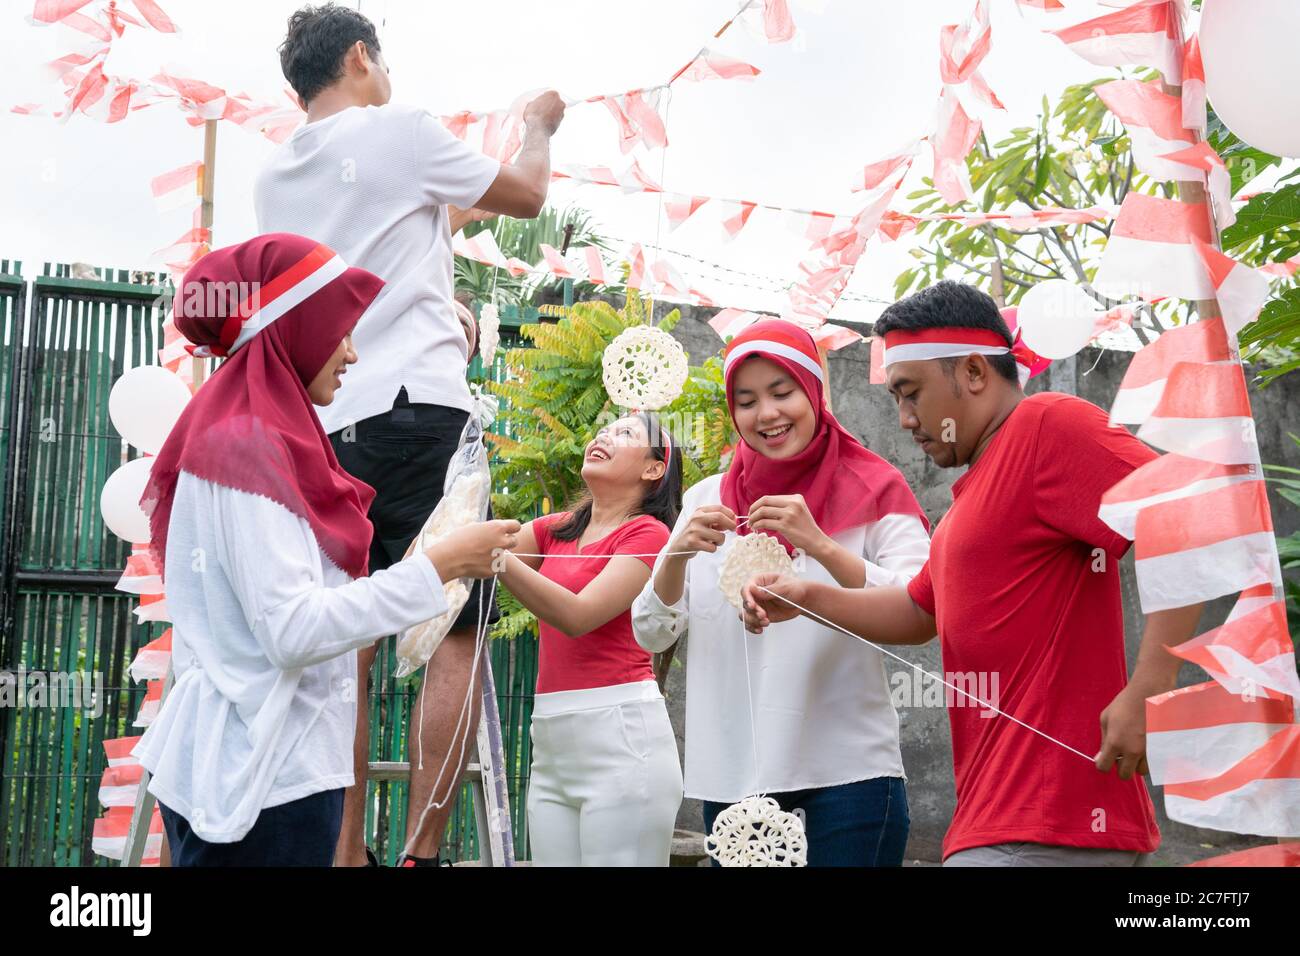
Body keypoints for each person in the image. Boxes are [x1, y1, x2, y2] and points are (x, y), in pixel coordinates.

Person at [743, 280, 1205, 867]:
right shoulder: (969, 497)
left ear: (973, 373)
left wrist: (1151, 687)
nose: (907, 419)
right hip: (1006, 824)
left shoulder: (1044, 426)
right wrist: (805, 596)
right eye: (895, 401)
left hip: (1043, 826)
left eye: (911, 394)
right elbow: (917, 613)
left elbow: (1186, 508)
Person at [253, 3, 565, 866]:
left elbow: (407, 224)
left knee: (344, 644)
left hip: (322, 427)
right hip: (419, 408)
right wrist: (536, 127)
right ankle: (422, 852)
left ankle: (346, 854)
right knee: (454, 622)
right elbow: (527, 195)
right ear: (361, 55)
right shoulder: (400, 130)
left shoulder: (275, 180)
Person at [132, 234, 520, 866]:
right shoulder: (248, 449)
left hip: (271, 768)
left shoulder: (252, 435)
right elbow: (294, 629)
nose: (352, 353)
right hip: (262, 787)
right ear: (293, 326)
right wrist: (439, 566)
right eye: (338, 331)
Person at [632, 320, 931, 867]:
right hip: (735, 774)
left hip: (850, 772)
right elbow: (652, 629)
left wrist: (818, 543)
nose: (766, 413)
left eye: (782, 391)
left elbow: (922, 603)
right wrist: (674, 555)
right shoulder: (707, 501)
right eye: (746, 400)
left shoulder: (877, 485)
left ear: (814, 390)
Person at [496, 412, 684, 866]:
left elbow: (579, 616)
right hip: (552, 742)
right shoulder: (555, 529)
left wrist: (495, 557)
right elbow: (473, 553)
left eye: (625, 434)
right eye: (604, 428)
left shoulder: (648, 534)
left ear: (654, 468)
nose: (603, 435)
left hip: (620, 739)